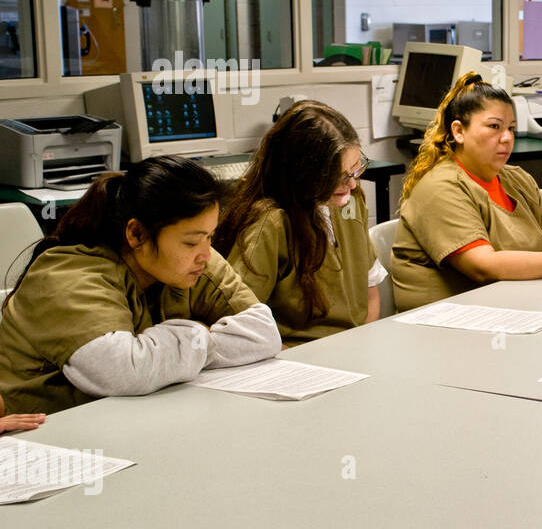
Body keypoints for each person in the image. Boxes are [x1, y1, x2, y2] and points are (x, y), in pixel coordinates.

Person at [0, 156, 281, 414]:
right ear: (136, 234)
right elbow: (123, 371)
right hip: (40, 438)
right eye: (191, 241)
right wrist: (199, 334)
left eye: (210, 236)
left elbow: (264, 333)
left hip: (127, 419)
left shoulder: (190, 263)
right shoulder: (69, 275)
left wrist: (167, 350)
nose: (206, 255)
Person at [391, 73, 542, 310]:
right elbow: (484, 266)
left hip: (514, 306)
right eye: (494, 127)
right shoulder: (441, 187)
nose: (507, 137)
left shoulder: (514, 177)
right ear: (458, 131)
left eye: (510, 128)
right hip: (444, 322)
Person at [217, 101, 385, 347]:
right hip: (299, 356)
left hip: (353, 347)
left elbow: (370, 292)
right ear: (301, 173)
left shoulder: (351, 202)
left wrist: (363, 346)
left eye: (355, 170)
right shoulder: (271, 222)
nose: (352, 185)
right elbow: (237, 322)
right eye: (337, 177)